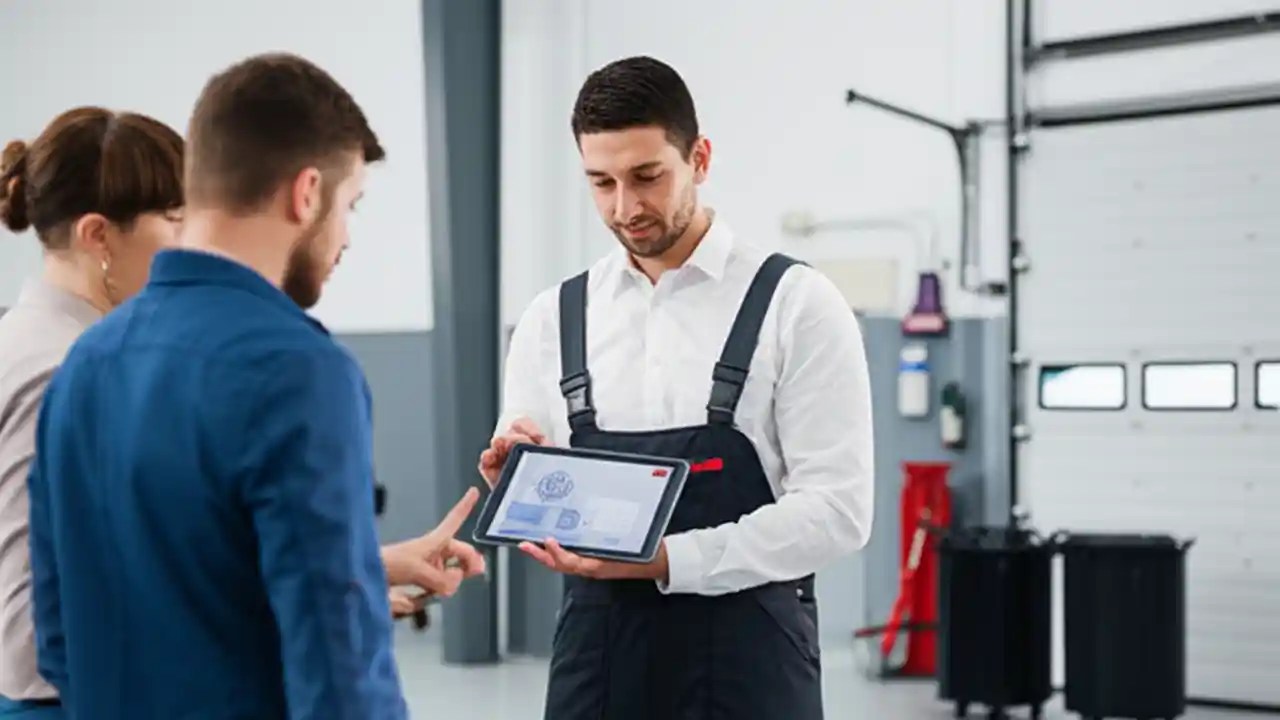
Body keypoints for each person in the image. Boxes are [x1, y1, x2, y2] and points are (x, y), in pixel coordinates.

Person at [26, 54, 483, 719]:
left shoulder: (87, 361)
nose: (347, 236)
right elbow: (338, 670)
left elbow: (59, 633)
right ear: (306, 193)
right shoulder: (299, 369)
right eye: (349, 204)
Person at [479, 56, 875, 720]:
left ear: (701, 156)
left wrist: (668, 560)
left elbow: (838, 512)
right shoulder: (553, 319)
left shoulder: (795, 304)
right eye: (600, 182)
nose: (625, 207)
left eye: (647, 176)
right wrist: (515, 480)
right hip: (599, 658)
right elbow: (547, 487)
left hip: (751, 660)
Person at [0, 107, 186, 719]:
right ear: (98, 235)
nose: (187, 242)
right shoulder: (61, 368)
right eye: (173, 218)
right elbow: (28, 635)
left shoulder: (33, 341)